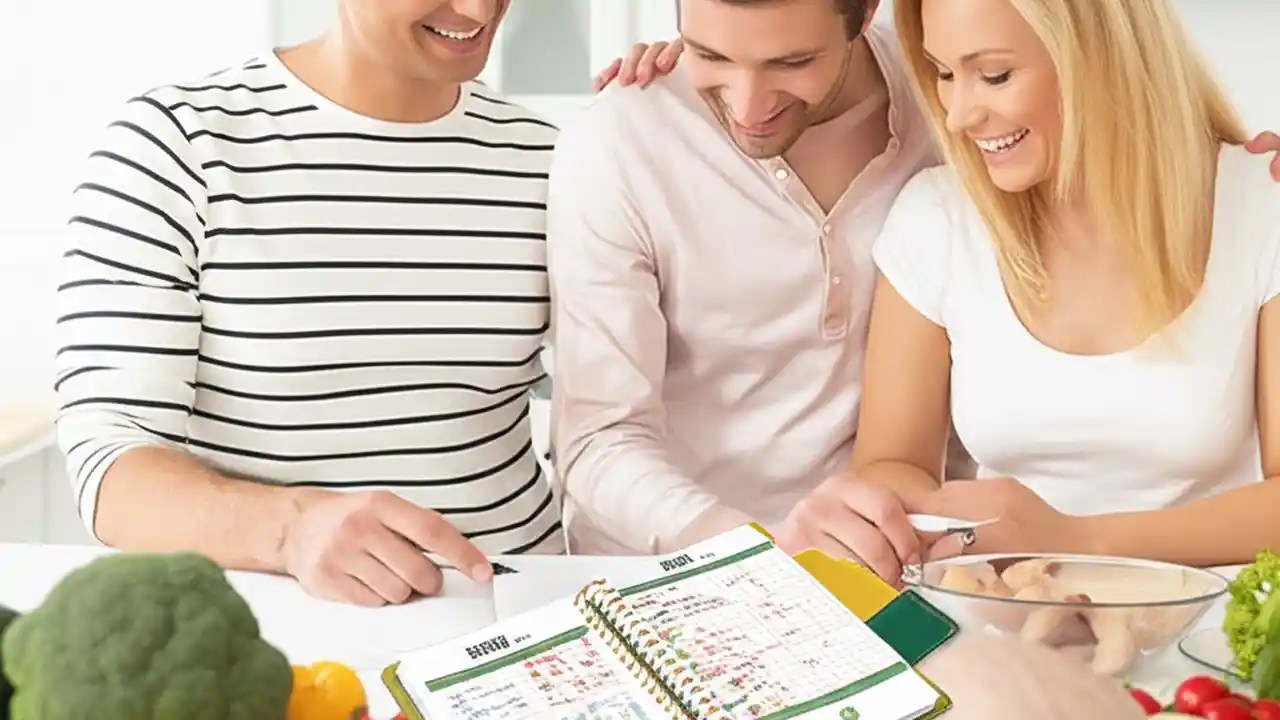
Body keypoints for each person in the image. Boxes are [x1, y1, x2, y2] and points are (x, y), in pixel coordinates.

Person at [547, 0, 1280, 565]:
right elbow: (601, 440)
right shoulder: (620, 143)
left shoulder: (938, 92)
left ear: (865, 17)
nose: (746, 104)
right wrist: (773, 551)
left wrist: (1061, 539)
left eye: (792, 60)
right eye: (711, 54)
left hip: (915, 578)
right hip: (690, 564)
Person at [54, 0, 563, 607]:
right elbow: (112, 466)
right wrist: (292, 528)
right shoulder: (180, 144)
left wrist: (680, 111)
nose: (479, 9)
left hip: (525, 621)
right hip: (283, 635)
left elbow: (646, 410)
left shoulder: (554, 157)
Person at [811, 0, 1280, 578]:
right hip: (1003, 624)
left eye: (995, 75)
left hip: (1200, 640)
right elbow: (890, 464)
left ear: (1101, 57)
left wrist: (1074, 539)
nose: (957, 116)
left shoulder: (1261, 206)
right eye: (945, 74)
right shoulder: (937, 220)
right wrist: (944, 528)